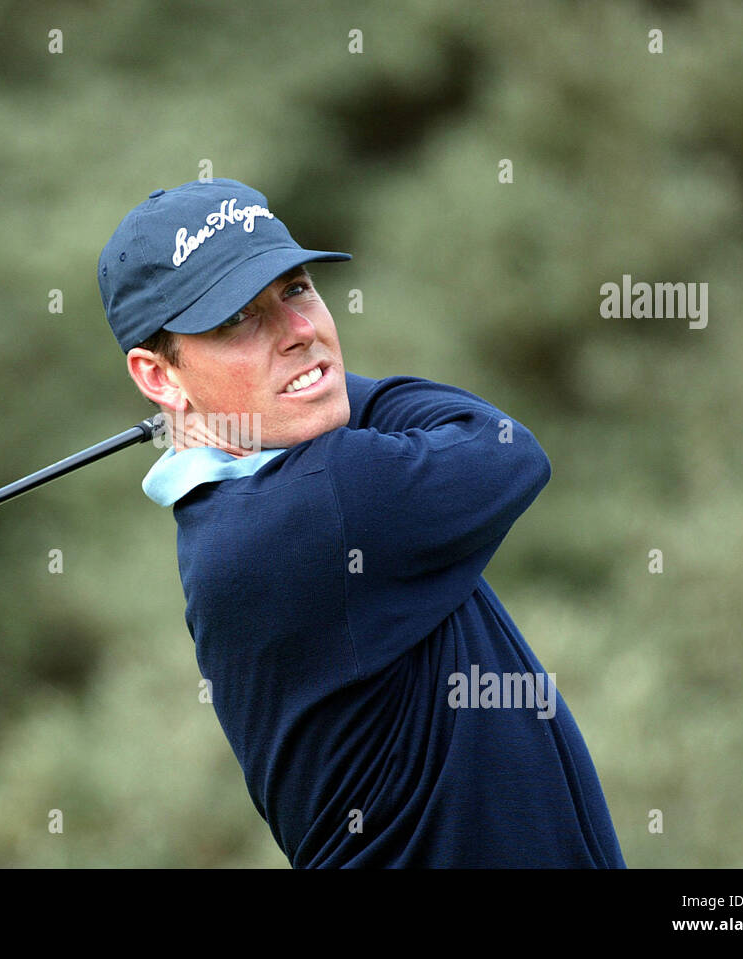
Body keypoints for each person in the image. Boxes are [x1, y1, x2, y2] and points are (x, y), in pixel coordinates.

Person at [97, 178, 626, 868]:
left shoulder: (238, 507)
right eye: (235, 319)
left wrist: (277, 396)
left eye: (295, 288)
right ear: (160, 376)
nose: (299, 330)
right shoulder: (325, 502)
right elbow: (506, 447)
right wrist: (307, 386)